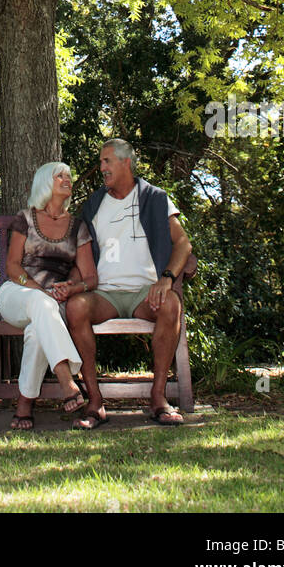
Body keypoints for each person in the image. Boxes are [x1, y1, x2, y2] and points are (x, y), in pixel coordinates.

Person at [66, 139, 192, 429]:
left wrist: (167, 279)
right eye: (100, 162)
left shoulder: (156, 198)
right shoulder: (94, 204)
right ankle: (95, 403)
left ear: (126, 162)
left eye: (107, 161)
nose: (102, 168)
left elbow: (183, 243)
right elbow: (81, 255)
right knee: (75, 308)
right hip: (104, 294)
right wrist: (70, 285)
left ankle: (158, 398)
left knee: (171, 303)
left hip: (145, 294)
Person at [0, 161, 99, 430]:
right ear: (45, 182)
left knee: (37, 332)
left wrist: (72, 289)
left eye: (69, 176)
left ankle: (24, 406)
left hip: (54, 306)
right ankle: (66, 377)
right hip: (17, 294)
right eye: (60, 176)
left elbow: (90, 278)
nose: (68, 179)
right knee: (42, 304)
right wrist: (39, 290)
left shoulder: (78, 227)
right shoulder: (25, 219)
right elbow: (12, 267)